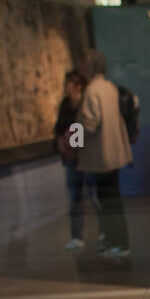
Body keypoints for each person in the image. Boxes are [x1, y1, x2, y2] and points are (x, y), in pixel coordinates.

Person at [76, 50, 133, 258]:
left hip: (101, 155)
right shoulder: (109, 87)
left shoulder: (92, 90)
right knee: (111, 199)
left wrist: (73, 139)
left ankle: (117, 241)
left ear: (89, 66)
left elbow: (90, 123)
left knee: (107, 201)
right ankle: (115, 239)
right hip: (113, 153)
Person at [55, 70, 97, 251]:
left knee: (95, 197)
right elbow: (59, 128)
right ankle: (77, 236)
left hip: (86, 156)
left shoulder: (86, 103)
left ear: (78, 85)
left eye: (69, 83)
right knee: (75, 199)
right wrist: (63, 144)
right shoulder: (66, 104)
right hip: (72, 157)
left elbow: (87, 128)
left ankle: (104, 233)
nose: (66, 86)